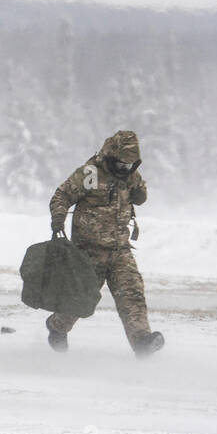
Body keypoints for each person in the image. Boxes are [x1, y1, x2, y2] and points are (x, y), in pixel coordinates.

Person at [47, 130, 162, 356]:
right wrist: (58, 218)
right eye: (121, 163)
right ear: (111, 156)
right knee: (80, 302)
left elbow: (141, 198)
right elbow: (62, 195)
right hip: (88, 253)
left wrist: (136, 185)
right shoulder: (90, 174)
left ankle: (142, 342)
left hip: (120, 251)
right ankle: (57, 327)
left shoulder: (130, 176)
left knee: (133, 294)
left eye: (130, 165)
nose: (124, 168)